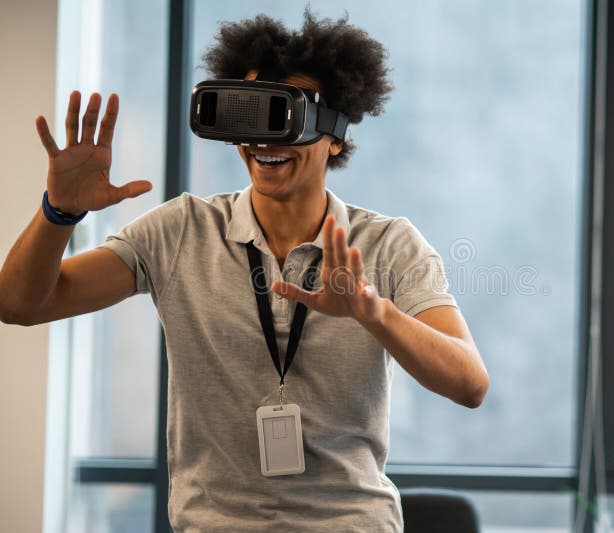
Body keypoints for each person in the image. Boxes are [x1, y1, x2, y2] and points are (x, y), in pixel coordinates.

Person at [0, 10, 488, 532]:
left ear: (335, 136)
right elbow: (20, 305)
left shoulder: (389, 245)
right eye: (246, 115)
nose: (262, 141)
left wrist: (376, 314)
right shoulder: (179, 230)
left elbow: (469, 383)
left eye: (284, 117)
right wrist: (59, 213)